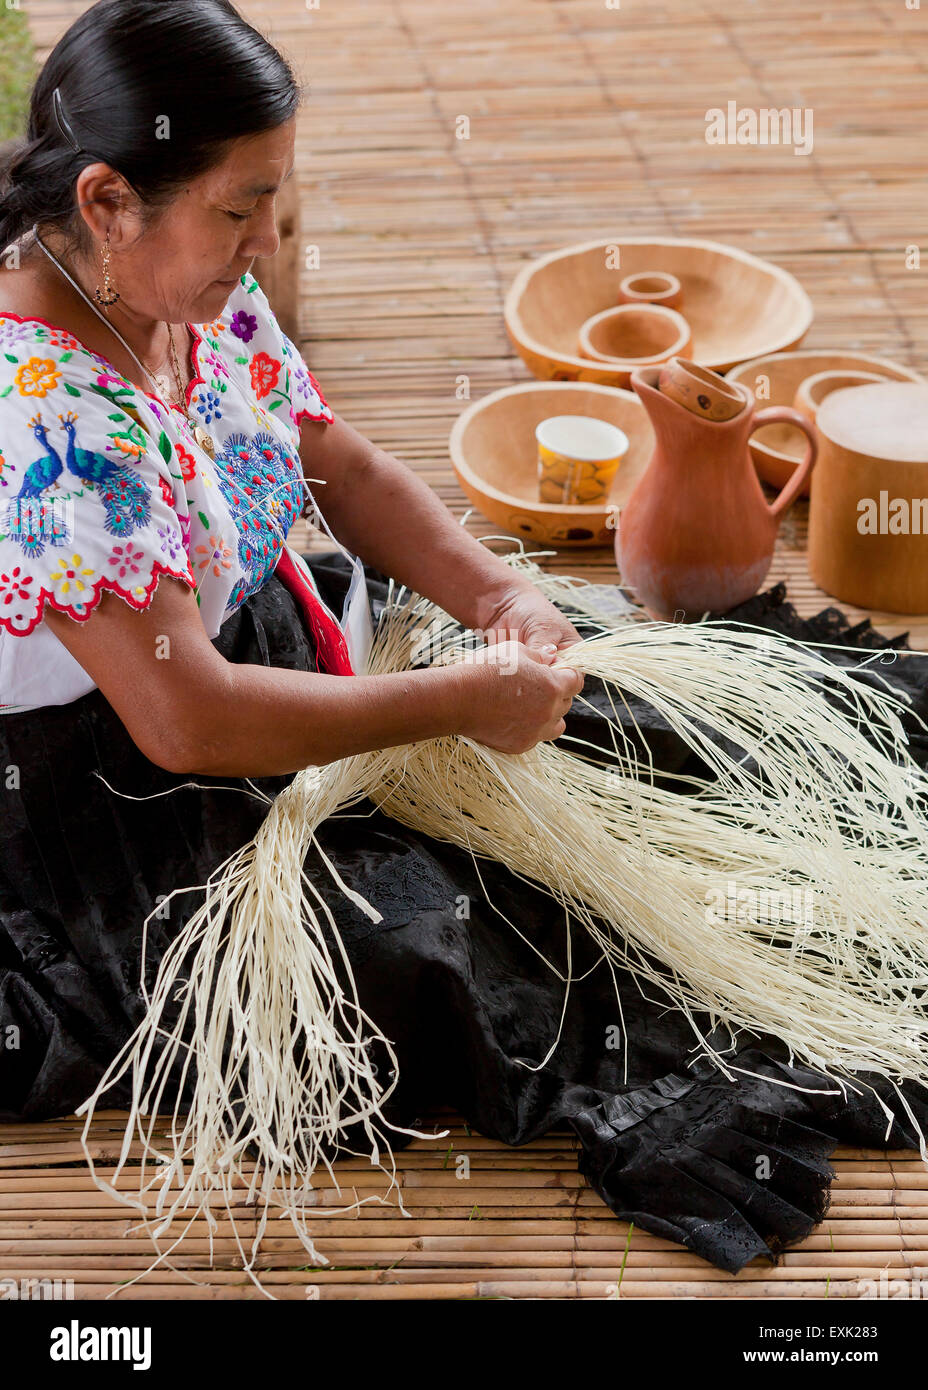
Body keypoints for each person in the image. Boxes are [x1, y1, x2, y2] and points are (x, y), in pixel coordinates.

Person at [2, 0, 926, 1278]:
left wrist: (497, 601)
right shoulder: (42, 423)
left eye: (277, 201)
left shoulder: (178, 289)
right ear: (107, 201)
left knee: (635, 728)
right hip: (126, 790)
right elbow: (190, 720)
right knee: (452, 941)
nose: (267, 245)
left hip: (263, 644)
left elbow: (334, 460)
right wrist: (458, 701)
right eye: (238, 209)